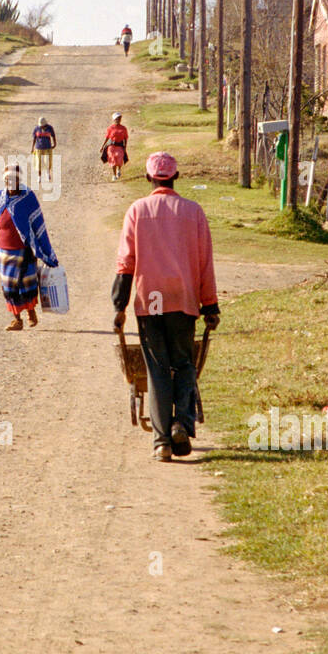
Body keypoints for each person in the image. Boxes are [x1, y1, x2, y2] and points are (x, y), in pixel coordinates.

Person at [112, 151, 220, 461]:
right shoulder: (193, 212)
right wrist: (210, 306)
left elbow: (126, 262)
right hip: (183, 299)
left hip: (152, 301)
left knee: (157, 369)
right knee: (184, 364)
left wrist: (119, 304)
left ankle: (161, 442)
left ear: (149, 178)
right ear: (175, 177)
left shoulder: (137, 211)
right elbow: (204, 264)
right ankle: (181, 424)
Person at [0, 163, 58, 332]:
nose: (11, 183)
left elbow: (38, 223)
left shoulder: (28, 197)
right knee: (9, 287)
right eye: (7, 180)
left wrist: (45, 251)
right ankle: (17, 319)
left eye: (14, 180)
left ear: (19, 180)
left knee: (27, 284)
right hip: (5, 251)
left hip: (25, 250)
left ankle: (31, 313)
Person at [101, 111, 129, 180]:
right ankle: (114, 175)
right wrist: (102, 146)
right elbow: (107, 137)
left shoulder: (123, 128)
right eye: (116, 119)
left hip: (120, 145)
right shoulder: (110, 128)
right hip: (111, 146)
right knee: (112, 159)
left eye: (119, 118)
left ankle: (118, 170)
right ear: (114, 120)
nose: (118, 120)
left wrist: (125, 147)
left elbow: (125, 138)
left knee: (119, 158)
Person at [30, 116, 57, 183]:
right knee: (39, 162)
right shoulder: (36, 128)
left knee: (47, 161)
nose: (42, 127)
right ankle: (39, 177)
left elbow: (53, 136)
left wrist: (55, 144)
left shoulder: (50, 128)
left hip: (48, 147)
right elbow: (34, 138)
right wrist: (32, 148)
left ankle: (48, 173)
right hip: (38, 148)